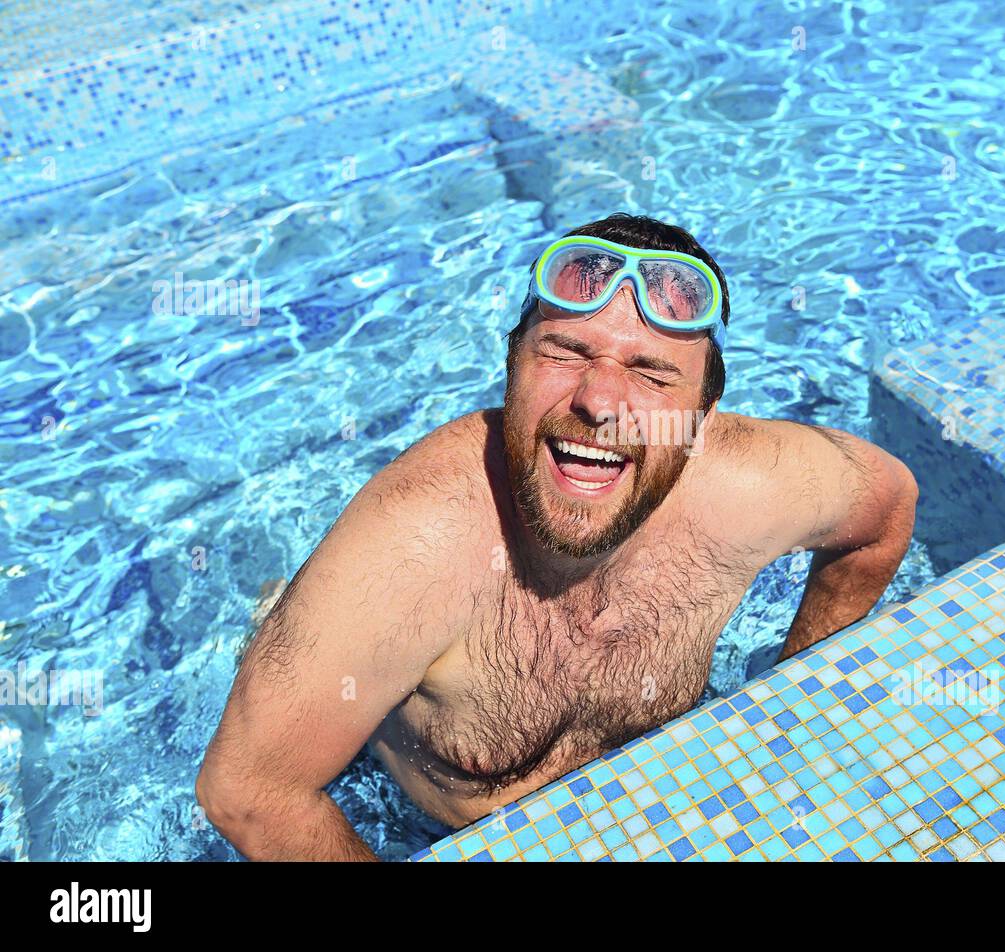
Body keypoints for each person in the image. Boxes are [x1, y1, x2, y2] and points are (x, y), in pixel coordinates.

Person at [196, 213, 917, 860]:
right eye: (567, 351)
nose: (600, 401)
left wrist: (791, 708)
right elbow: (248, 791)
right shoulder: (420, 537)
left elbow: (886, 510)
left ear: (703, 414)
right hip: (426, 824)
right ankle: (280, 611)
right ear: (512, 368)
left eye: (651, 372)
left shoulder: (752, 488)